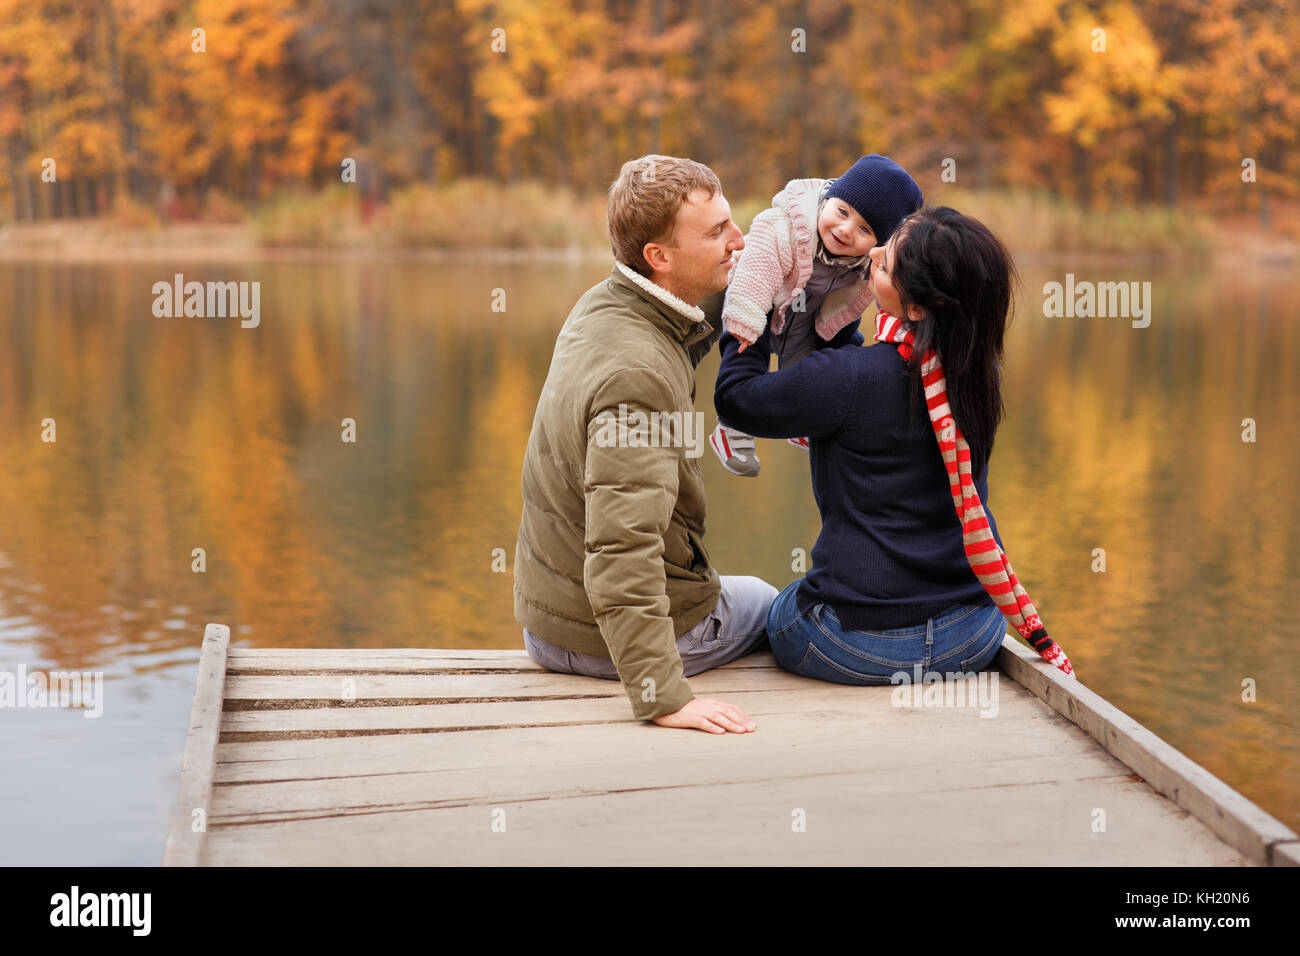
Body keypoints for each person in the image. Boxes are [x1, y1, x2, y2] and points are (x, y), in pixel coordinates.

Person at [713, 205, 1075, 684]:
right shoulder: (977, 375)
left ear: (918, 307)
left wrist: (752, 307)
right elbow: (851, 376)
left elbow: (737, 400)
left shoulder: (848, 380)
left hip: (856, 641)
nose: (875, 250)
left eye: (884, 264)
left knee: (780, 609)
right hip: (970, 635)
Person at [514, 154, 779, 734]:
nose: (739, 240)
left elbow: (685, 327)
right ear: (660, 258)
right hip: (591, 641)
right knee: (774, 604)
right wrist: (664, 697)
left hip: (549, 618)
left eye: (733, 222)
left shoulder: (606, 307)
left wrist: (781, 266)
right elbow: (622, 549)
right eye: (716, 233)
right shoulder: (639, 377)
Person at [708, 154, 922, 477]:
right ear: (828, 197)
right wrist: (744, 321)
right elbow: (755, 270)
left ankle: (804, 419)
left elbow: (886, 294)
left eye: (864, 228)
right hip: (763, 301)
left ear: (879, 244)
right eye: (842, 212)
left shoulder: (868, 262)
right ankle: (732, 429)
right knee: (745, 351)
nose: (845, 229)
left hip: (810, 317)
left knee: (832, 349)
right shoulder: (785, 227)